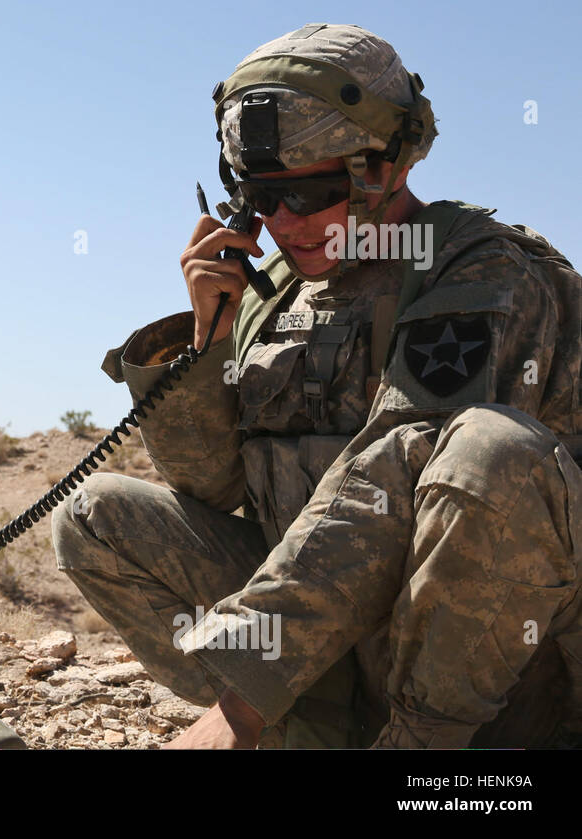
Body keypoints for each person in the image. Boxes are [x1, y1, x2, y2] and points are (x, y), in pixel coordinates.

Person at [51, 22, 582, 748]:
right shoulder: (271, 293)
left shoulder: (480, 271)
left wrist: (238, 704)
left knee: (490, 450)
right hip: (327, 654)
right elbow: (207, 487)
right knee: (96, 514)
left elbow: (394, 476)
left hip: (500, 681)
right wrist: (204, 345)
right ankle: (303, 735)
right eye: (260, 197)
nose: (282, 225)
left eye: (311, 195)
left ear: (384, 165)